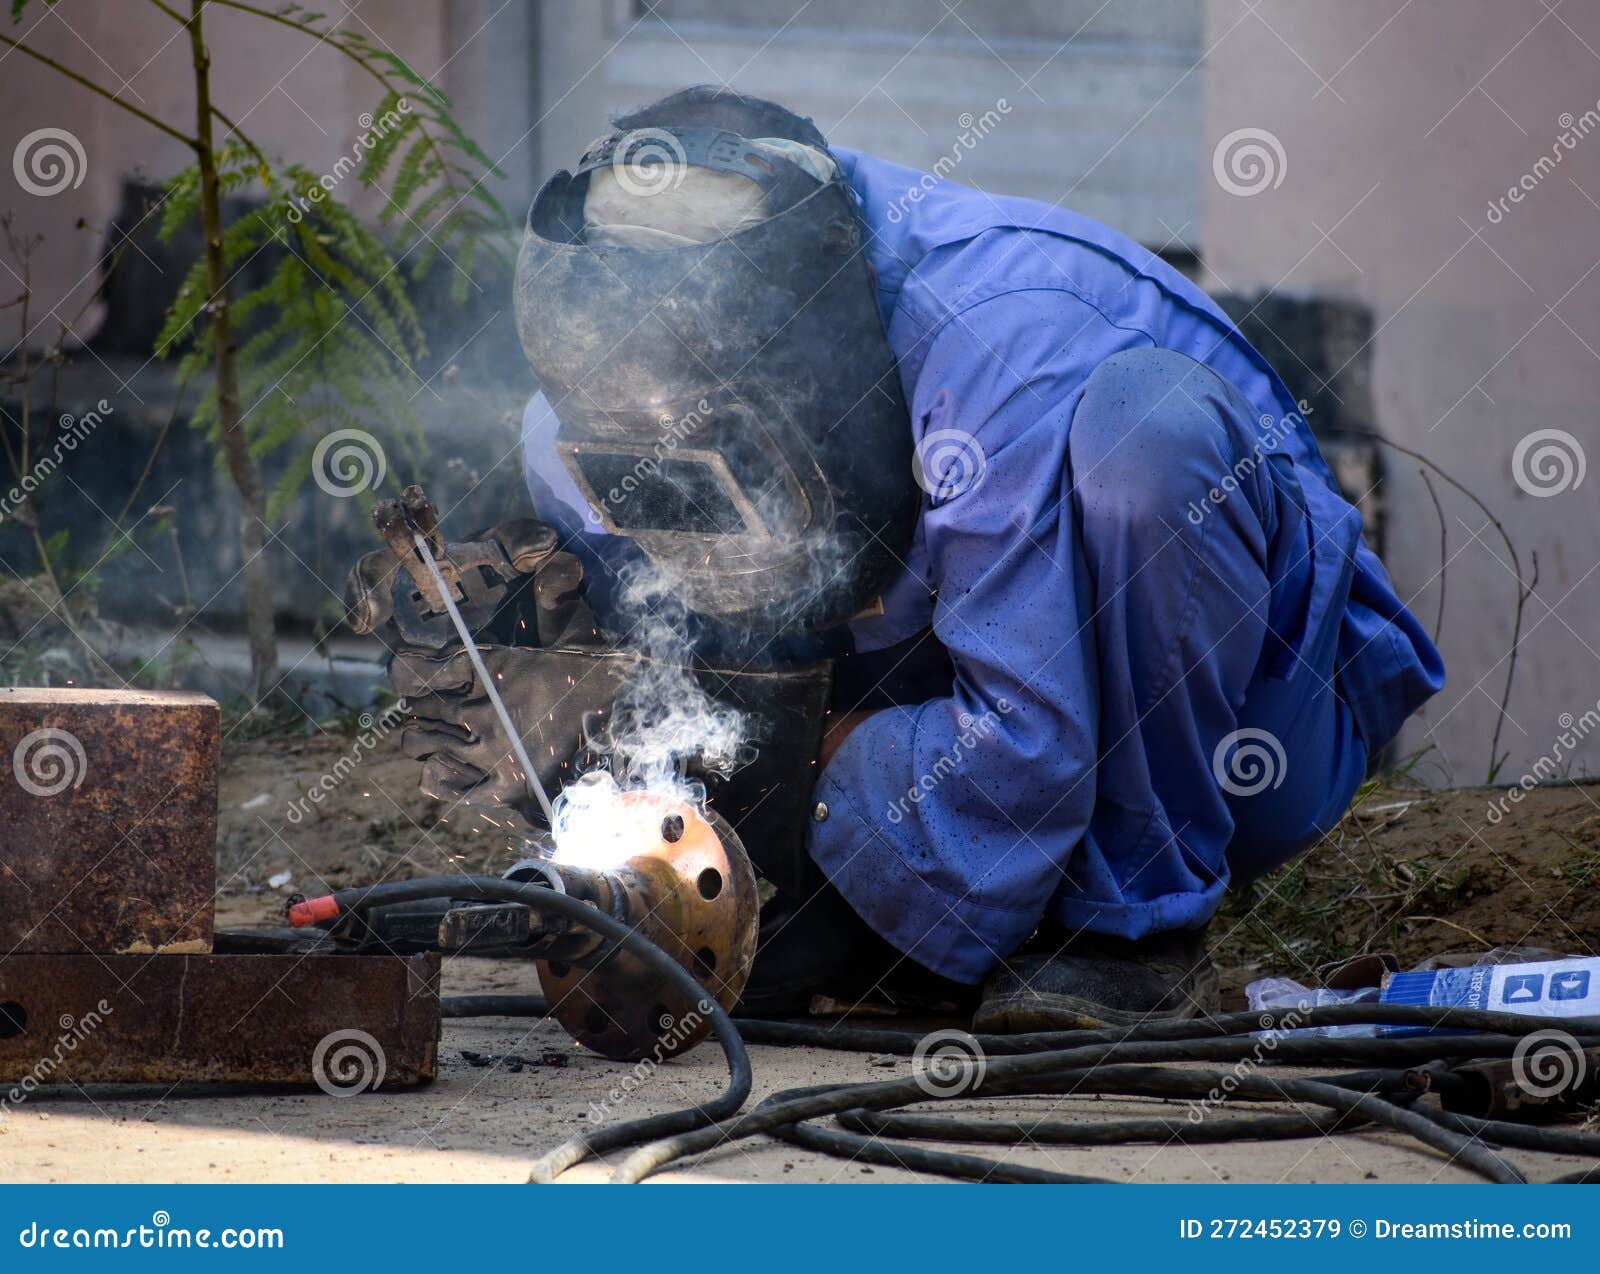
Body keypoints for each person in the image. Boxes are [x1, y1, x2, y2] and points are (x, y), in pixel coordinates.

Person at [358, 86, 1443, 1031]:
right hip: (929, 702)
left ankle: (1132, 938)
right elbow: (692, 708)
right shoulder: (572, 424)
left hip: (1250, 735)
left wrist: (824, 761)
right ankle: (931, 911)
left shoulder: (1001, 333)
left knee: (1139, 437)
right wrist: (580, 739)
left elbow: (1032, 745)